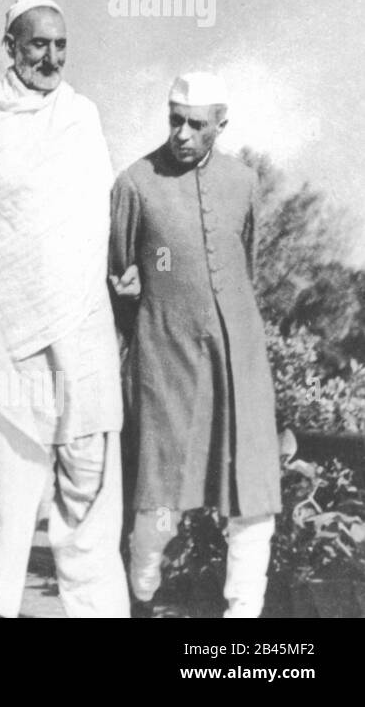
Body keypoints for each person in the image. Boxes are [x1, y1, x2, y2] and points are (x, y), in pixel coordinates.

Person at [0, 0, 128, 618]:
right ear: (11, 47)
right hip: (7, 332)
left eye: (60, 45)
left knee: (91, 485)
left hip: (81, 324)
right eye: (37, 44)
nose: (50, 57)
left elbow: (96, 216)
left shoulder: (81, 116)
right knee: (7, 491)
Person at [110, 74, 280, 618]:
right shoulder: (136, 181)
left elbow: (245, 265)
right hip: (165, 357)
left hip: (240, 359)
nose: (182, 134)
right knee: (159, 489)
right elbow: (117, 275)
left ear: (221, 125)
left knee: (251, 489)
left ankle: (243, 616)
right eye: (174, 120)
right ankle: (142, 591)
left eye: (196, 124)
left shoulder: (245, 182)